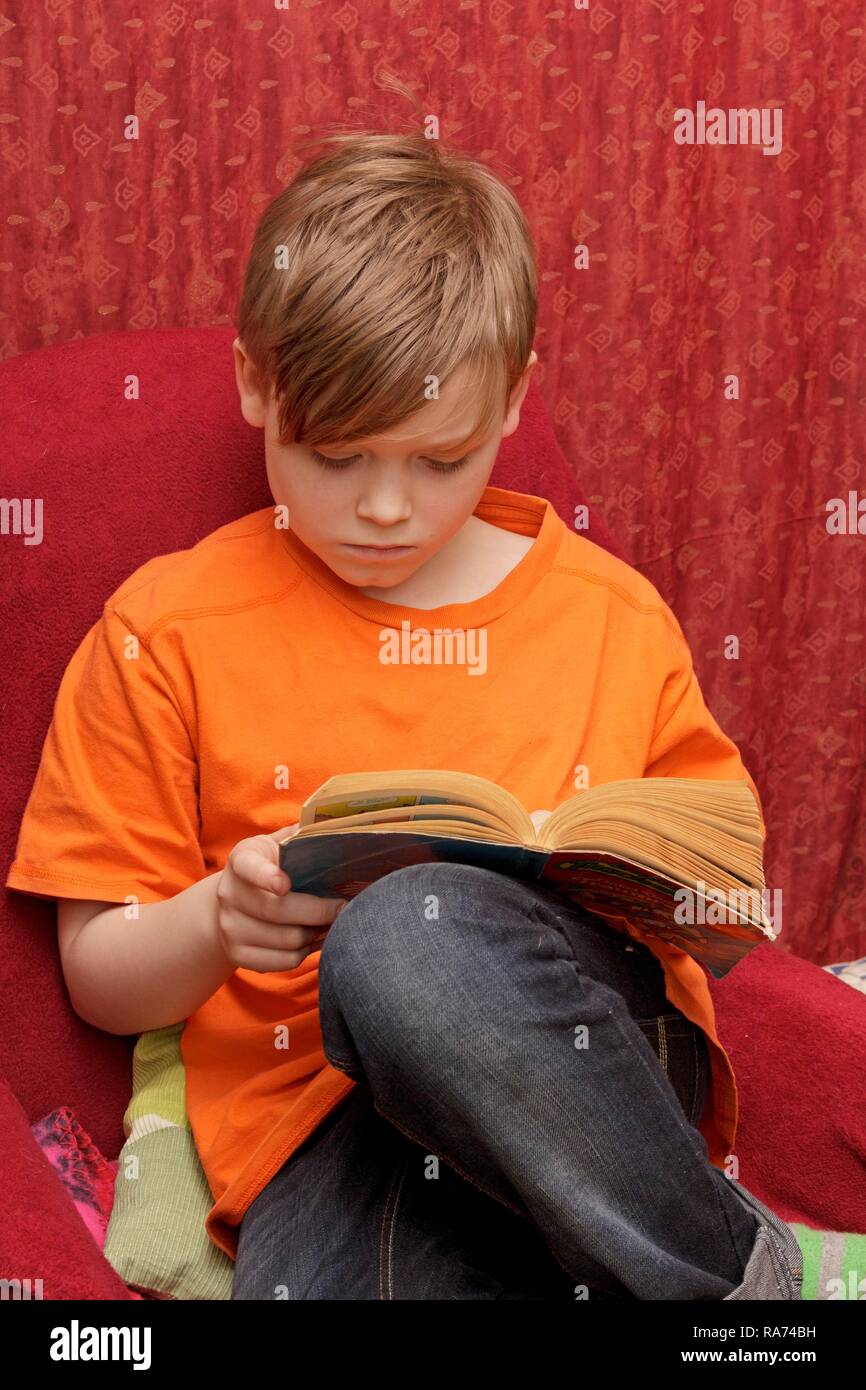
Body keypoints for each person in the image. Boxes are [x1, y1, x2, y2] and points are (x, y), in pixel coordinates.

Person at [5, 129, 802, 1300]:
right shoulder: (162, 629)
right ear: (252, 385)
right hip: (321, 1131)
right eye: (335, 454)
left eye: (441, 460)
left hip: (592, 1081)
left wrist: (653, 888)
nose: (385, 508)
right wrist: (217, 919)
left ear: (514, 399)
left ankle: (741, 1295)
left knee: (407, 933)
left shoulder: (607, 615)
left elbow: (726, 912)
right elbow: (98, 979)